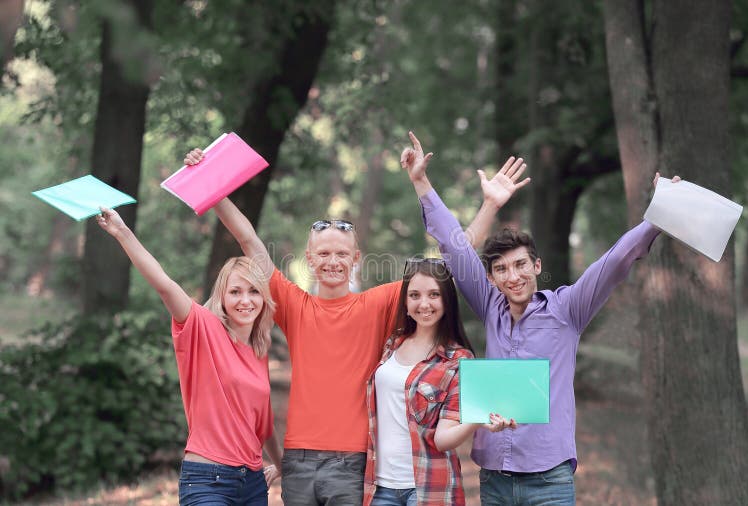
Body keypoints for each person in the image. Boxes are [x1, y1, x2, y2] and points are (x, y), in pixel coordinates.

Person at [183, 147, 515, 505]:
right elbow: (248, 240)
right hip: (299, 461)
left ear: (356, 258)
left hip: (353, 461)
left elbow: (450, 264)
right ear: (309, 259)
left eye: (342, 254)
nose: (332, 262)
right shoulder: (294, 305)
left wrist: (489, 206)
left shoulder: (377, 303)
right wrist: (210, 182)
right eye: (323, 254)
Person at [400, 131, 679, 505]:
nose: (512, 276)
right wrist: (421, 181)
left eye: (520, 266)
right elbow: (454, 247)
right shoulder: (490, 308)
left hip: (548, 481)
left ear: (537, 266)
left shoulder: (567, 310)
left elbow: (614, 262)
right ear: (492, 277)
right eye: (501, 269)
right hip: (495, 477)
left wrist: (656, 219)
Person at [95, 207, 282, 506]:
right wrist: (121, 231)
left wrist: (282, 466)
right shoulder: (203, 328)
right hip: (208, 480)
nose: (245, 300)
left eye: (253, 292)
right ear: (222, 297)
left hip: (253, 484)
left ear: (263, 298)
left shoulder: (259, 349)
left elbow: (264, 421)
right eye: (235, 292)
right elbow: (164, 285)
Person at [364, 259, 515, 506]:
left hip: (430, 488)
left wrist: (475, 421)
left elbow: (443, 439)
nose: (424, 304)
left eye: (434, 294)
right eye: (415, 295)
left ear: (447, 299)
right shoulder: (392, 343)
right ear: (405, 300)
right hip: (379, 488)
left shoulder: (459, 360)